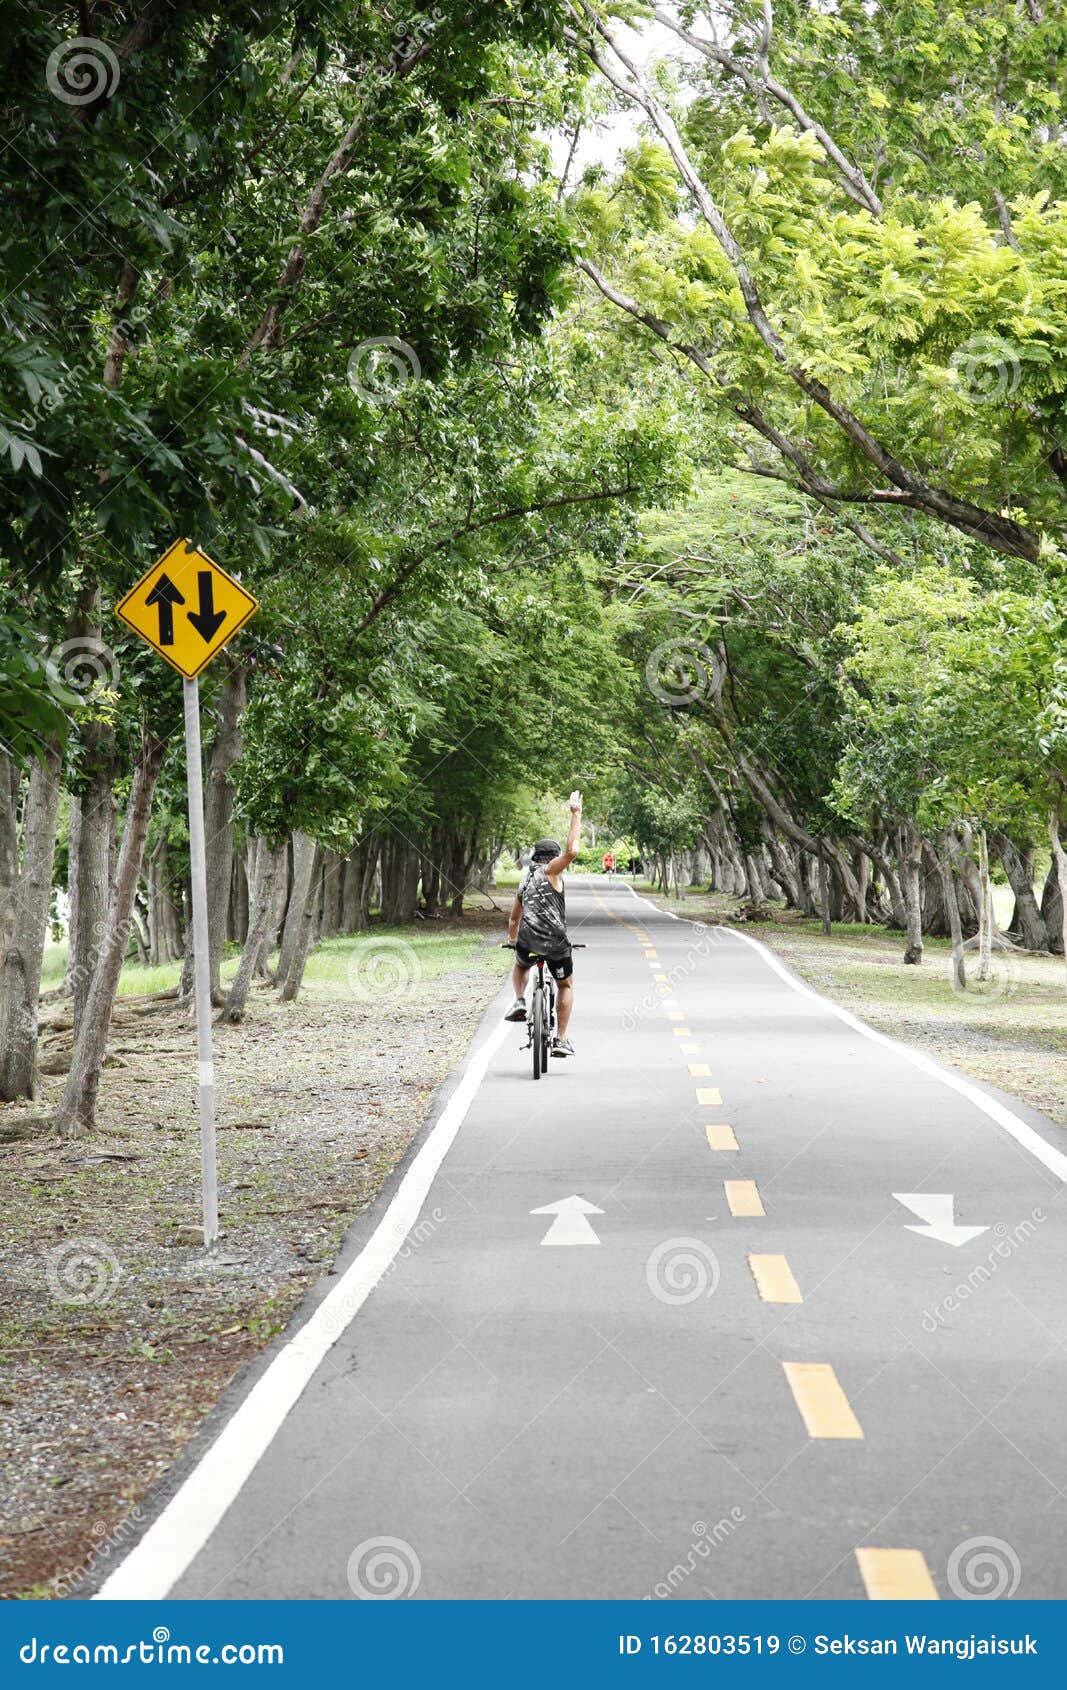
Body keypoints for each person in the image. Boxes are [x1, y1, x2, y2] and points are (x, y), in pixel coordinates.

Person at [504, 790, 582, 1056]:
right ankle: (560, 1039)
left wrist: (512, 941)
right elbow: (572, 851)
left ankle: (519, 1000)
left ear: (535, 857)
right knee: (565, 985)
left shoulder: (524, 881)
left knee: (520, 963)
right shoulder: (552, 871)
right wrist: (576, 814)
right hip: (556, 943)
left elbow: (514, 919)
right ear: (553, 859)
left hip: (527, 941)